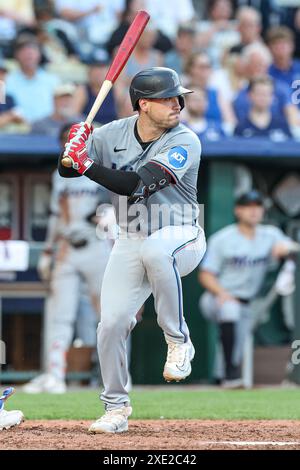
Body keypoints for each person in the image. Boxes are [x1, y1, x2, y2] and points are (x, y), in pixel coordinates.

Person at [59, 67, 207, 433]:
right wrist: (71, 147)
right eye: (168, 98)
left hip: (181, 234)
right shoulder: (113, 133)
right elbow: (66, 172)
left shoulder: (185, 139)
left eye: (179, 97)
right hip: (130, 237)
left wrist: (86, 163)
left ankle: (178, 340)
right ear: (143, 104)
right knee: (110, 325)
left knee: (158, 251)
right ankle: (115, 407)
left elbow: (135, 185)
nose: (178, 104)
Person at [23, 124, 114, 394]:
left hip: (98, 246)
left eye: (74, 139)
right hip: (67, 248)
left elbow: (114, 209)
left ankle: (116, 375)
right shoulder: (60, 174)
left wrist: (109, 218)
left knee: (109, 314)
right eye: (66, 140)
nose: (70, 144)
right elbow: (55, 215)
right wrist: (48, 251)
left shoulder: (101, 169)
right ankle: (55, 375)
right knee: (59, 314)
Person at [199, 190, 299, 388]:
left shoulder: (270, 234)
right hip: (216, 297)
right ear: (238, 211)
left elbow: (293, 247)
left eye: (258, 207)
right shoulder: (222, 238)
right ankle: (231, 374)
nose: (254, 211)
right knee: (230, 310)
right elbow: (205, 274)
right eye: (248, 207)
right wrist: (222, 293)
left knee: (235, 345)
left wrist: (286, 248)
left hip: (247, 302)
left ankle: (223, 378)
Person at [6, 34, 60, 122]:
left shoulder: (53, 80)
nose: (28, 53)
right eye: (23, 50)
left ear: (40, 54)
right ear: (16, 55)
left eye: (33, 49)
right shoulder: (6, 81)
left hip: (48, 130)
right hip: (17, 132)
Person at [73, 59, 119, 124]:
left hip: (112, 129)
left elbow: (124, 116)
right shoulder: (82, 90)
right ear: (89, 72)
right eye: (95, 68)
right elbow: (74, 116)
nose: (99, 72)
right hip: (90, 130)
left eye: (102, 68)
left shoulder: (116, 90)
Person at [267, 26, 300, 95]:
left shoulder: (298, 67)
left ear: (292, 46)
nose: (281, 48)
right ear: (270, 48)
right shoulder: (266, 73)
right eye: (276, 44)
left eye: (284, 44)